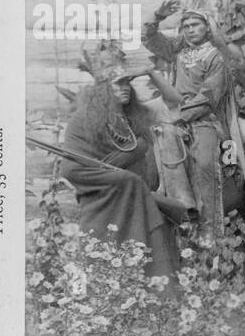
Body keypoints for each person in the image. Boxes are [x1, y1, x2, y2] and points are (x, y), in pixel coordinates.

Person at [60, 45, 182, 279]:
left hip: (138, 202)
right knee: (103, 272)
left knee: (148, 266)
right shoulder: (81, 119)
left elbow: (175, 102)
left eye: (128, 83)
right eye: (119, 83)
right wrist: (124, 179)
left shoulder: (138, 117)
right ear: (104, 89)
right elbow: (71, 168)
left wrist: (151, 72)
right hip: (102, 205)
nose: (126, 88)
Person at [142, 0, 245, 246]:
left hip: (204, 120)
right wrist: (158, 14)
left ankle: (208, 229)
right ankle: (177, 215)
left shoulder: (216, 58)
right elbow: (149, 39)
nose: (191, 30)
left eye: (196, 25)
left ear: (207, 28)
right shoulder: (175, 51)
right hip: (173, 118)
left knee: (204, 163)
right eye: (186, 26)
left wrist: (183, 116)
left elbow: (209, 96)